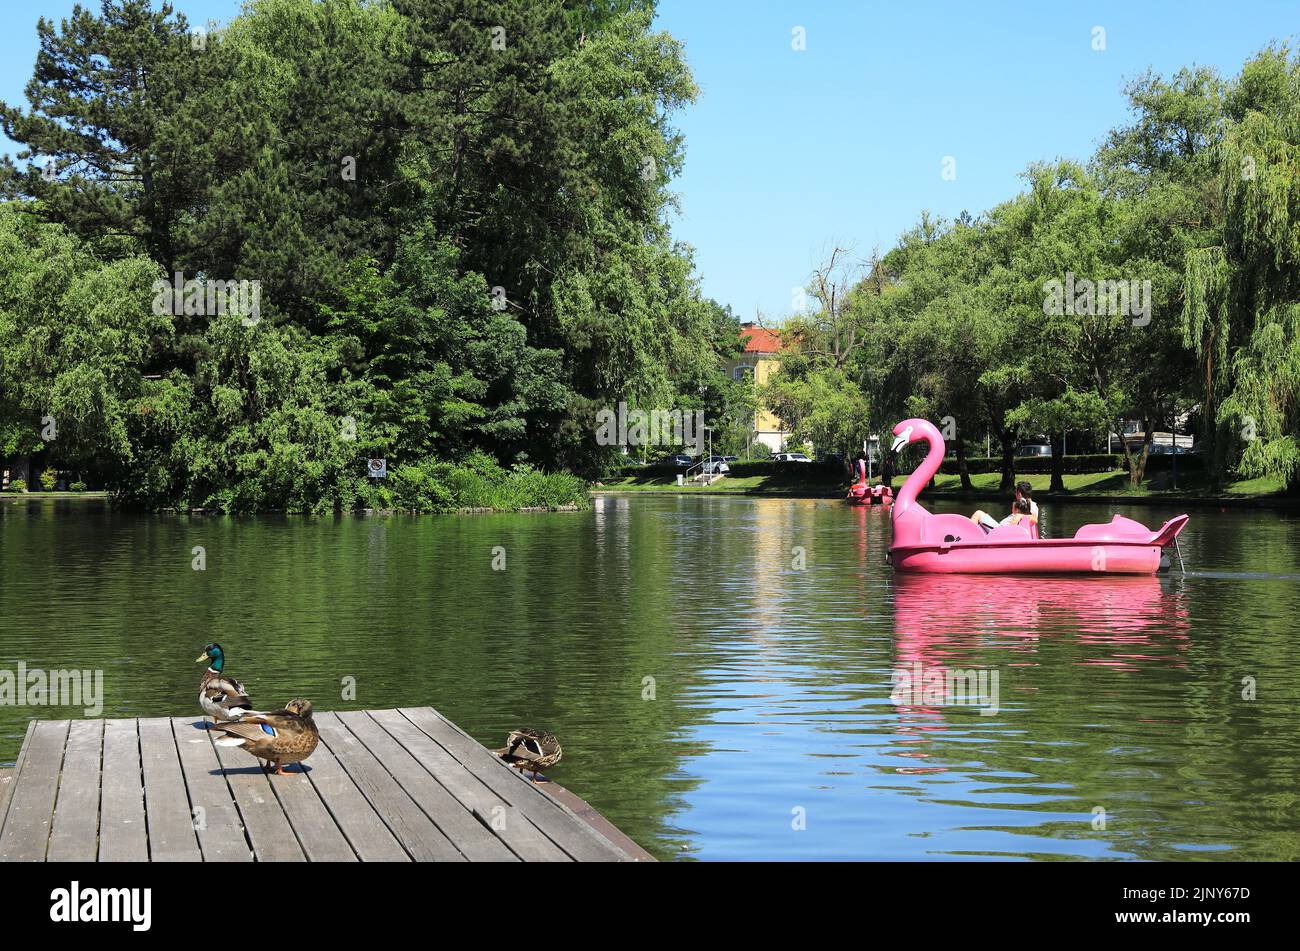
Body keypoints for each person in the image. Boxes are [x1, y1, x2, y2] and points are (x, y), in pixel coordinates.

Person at [970, 481, 1039, 533]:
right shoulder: (1024, 504)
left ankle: (967, 538)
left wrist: (1019, 515)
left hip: (1001, 532)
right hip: (1002, 530)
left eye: (1016, 492)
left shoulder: (1031, 505)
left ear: (1019, 493)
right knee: (981, 523)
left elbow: (1035, 519)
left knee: (978, 514)